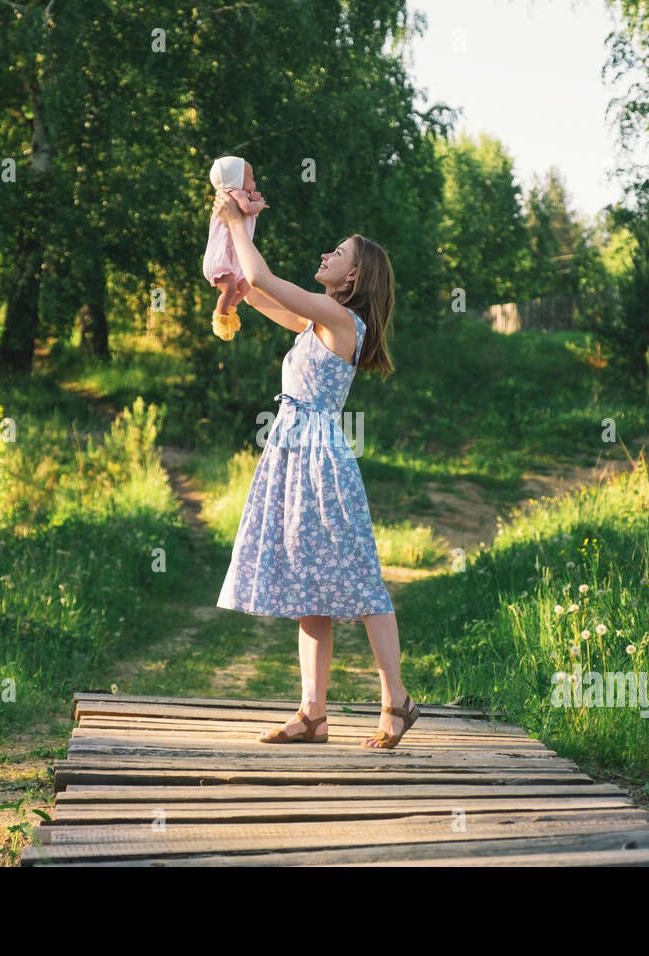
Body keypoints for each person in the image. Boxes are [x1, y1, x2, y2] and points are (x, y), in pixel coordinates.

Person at [211, 188, 419, 749]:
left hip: (320, 460)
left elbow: (269, 279)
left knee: (362, 583)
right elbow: (257, 289)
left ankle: (396, 700)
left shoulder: (338, 317)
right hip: (294, 453)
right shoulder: (316, 323)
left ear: (352, 279)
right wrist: (235, 254)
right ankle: (312, 715)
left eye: (338, 252)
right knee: (309, 586)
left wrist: (235, 223)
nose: (327, 254)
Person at [201, 155, 268, 340]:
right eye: (251, 176)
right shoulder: (233, 192)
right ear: (237, 179)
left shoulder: (238, 195)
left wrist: (252, 198)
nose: (254, 180)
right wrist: (259, 205)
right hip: (222, 257)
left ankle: (231, 307)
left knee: (245, 286)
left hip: (233, 257)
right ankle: (220, 316)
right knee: (230, 289)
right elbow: (247, 209)